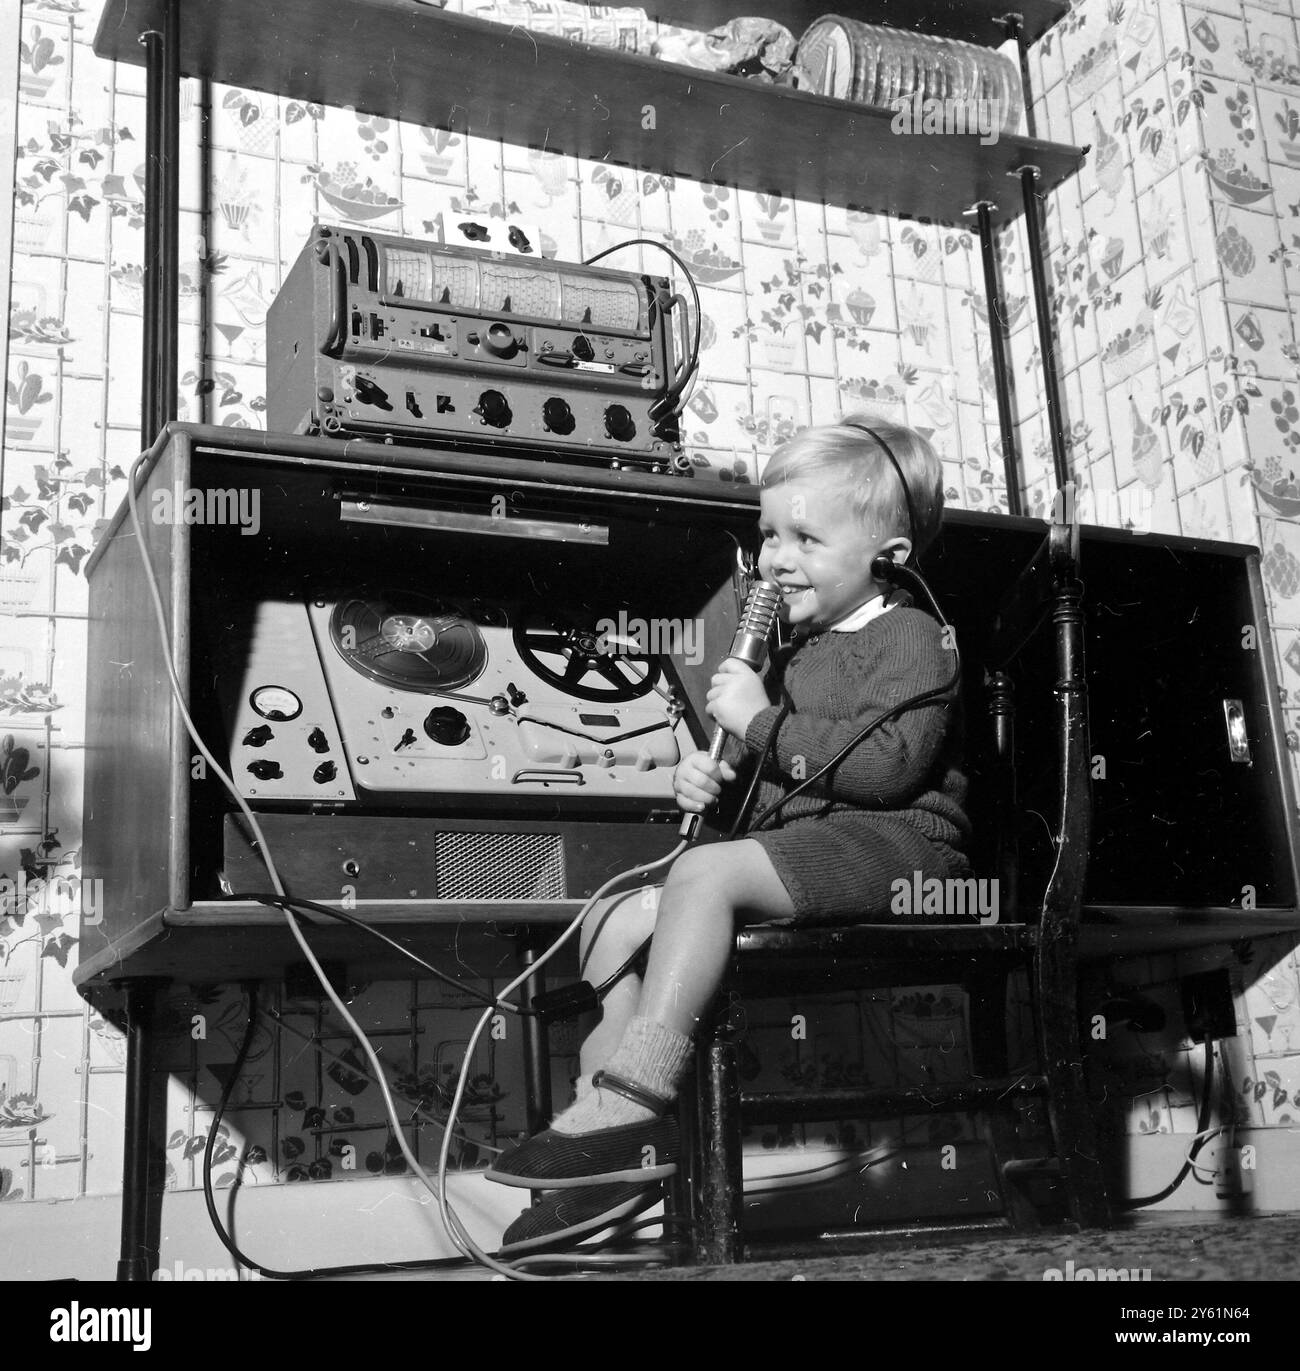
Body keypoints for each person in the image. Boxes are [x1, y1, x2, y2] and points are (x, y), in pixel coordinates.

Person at [488, 414, 973, 1253]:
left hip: (900, 850)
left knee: (707, 877)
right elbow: (780, 795)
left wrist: (758, 721)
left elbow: (884, 770)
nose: (775, 559)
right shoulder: (792, 653)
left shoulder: (913, 637)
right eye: (767, 535)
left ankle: (636, 1097)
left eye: (805, 538)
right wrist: (713, 784)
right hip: (820, 850)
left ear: (888, 558)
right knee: (615, 918)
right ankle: (608, 1146)